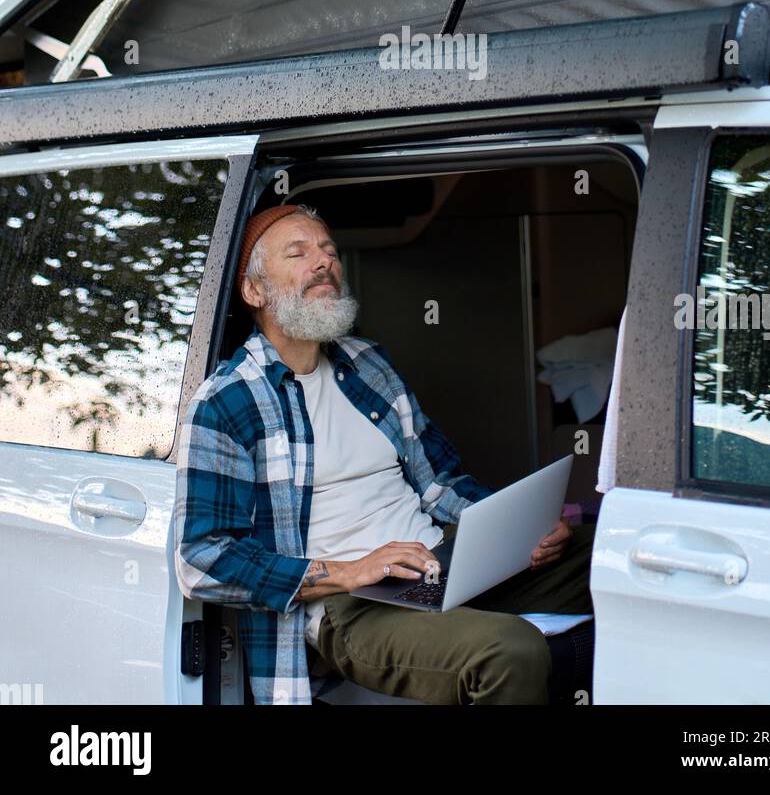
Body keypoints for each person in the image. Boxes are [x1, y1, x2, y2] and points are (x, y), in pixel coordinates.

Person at [174, 202, 595, 704]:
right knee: (509, 650)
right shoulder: (226, 402)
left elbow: (441, 481)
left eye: (328, 250)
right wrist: (348, 571)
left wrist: (521, 529)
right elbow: (200, 560)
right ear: (254, 290)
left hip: (442, 563)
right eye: (298, 253)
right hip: (351, 604)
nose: (323, 261)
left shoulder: (367, 362)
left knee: (613, 555)